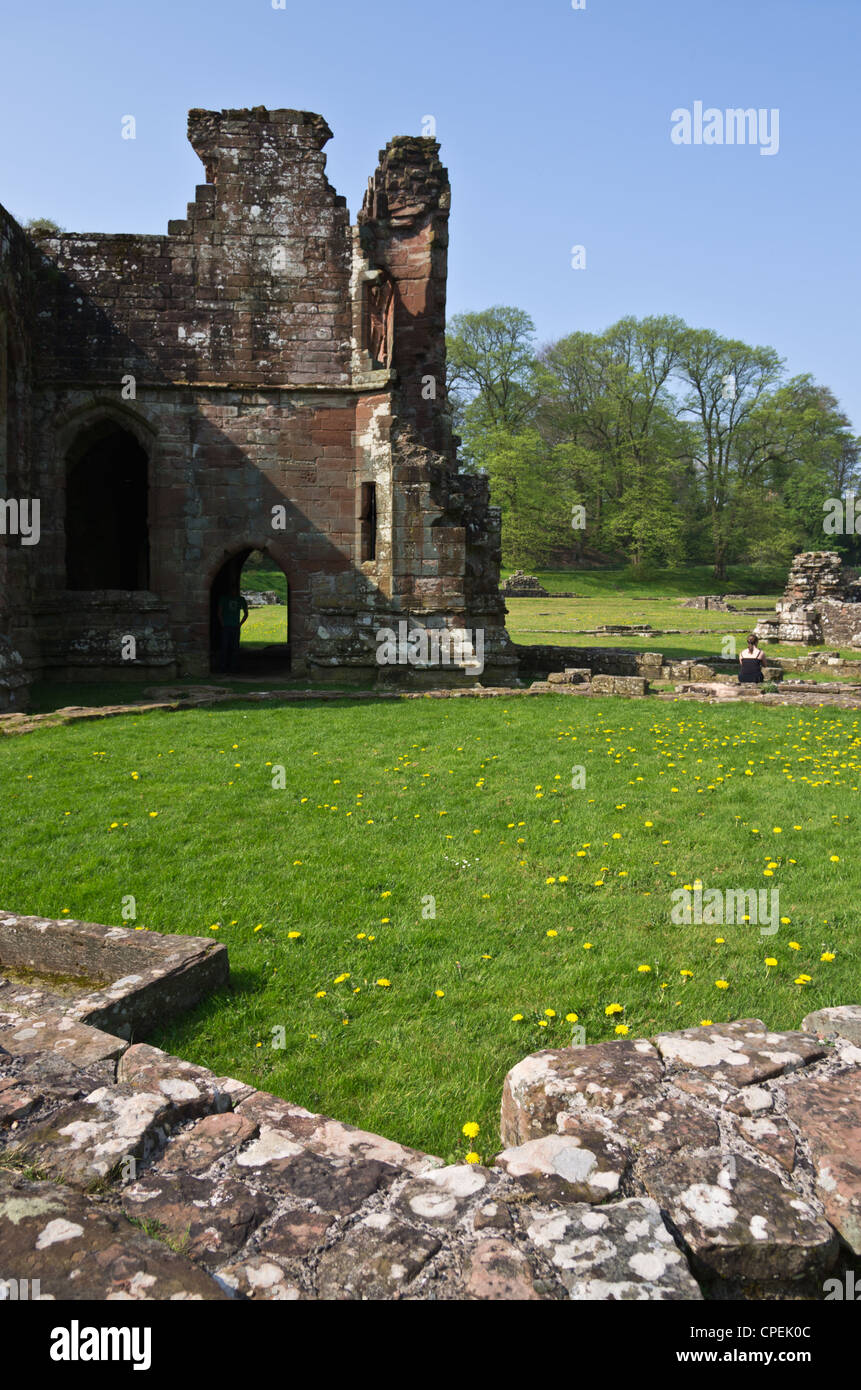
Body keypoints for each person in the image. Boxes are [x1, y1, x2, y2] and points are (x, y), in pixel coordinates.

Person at [216, 590, 249, 673]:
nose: (233, 591)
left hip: (234, 627)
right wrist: (222, 623)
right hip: (227, 627)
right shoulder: (224, 599)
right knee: (225, 647)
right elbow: (219, 612)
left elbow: (246, 613)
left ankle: (232, 667)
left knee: (234, 647)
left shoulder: (241, 599)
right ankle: (223, 667)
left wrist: (240, 624)